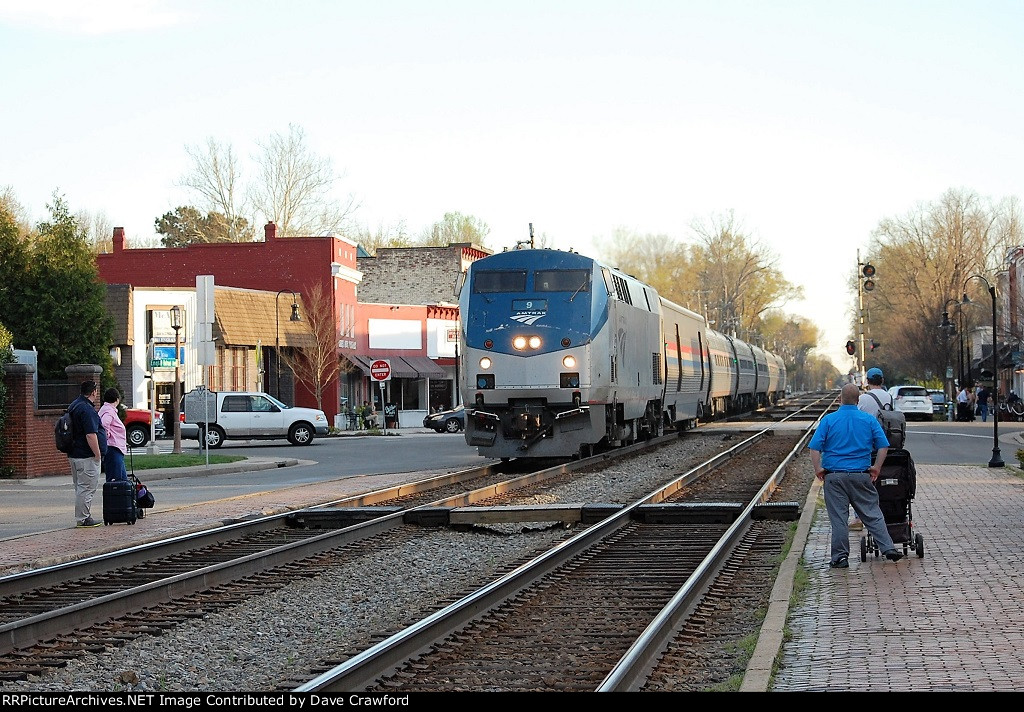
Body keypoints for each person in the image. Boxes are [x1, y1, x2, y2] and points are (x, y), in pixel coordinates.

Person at [809, 383, 904, 568]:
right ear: (858, 400)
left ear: (839, 400)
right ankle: (888, 548)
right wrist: (876, 467)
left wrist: (818, 468)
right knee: (872, 513)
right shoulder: (868, 420)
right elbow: (883, 446)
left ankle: (840, 558)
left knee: (839, 519)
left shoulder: (828, 420)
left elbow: (814, 448)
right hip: (861, 475)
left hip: (834, 476)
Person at [852, 367, 895, 531]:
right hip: (885, 443)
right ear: (882, 380)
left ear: (867, 381)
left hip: (866, 446)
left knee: (861, 482)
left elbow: (856, 418)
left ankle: (858, 518)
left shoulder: (863, 399)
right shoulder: (889, 397)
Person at [67, 380, 107, 527]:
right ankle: (83, 518)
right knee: (86, 488)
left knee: (80, 487)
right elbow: (91, 435)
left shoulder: (74, 405)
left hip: (75, 453)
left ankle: (83, 516)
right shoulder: (87, 409)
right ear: (93, 392)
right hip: (86, 456)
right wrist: (97, 454)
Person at [98, 388, 128, 482]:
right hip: (113, 447)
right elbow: (104, 424)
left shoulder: (104, 409)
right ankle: (118, 496)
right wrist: (107, 435)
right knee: (117, 479)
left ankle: (122, 496)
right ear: (117, 399)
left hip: (114, 448)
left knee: (122, 479)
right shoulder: (110, 411)